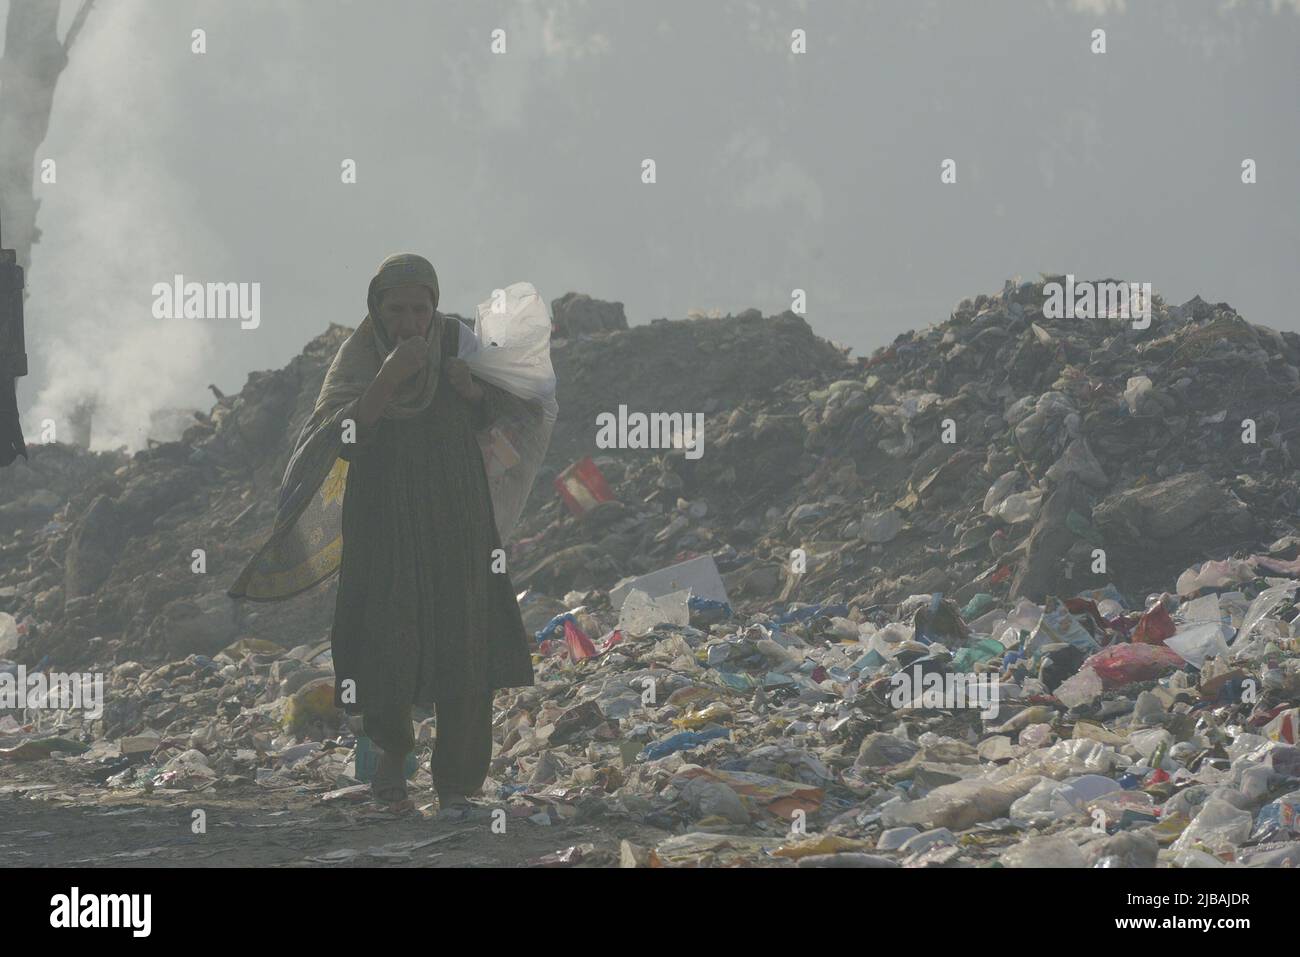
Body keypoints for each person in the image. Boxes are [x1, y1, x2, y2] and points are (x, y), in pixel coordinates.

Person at [230, 253, 535, 815]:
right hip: (384, 518)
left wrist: (469, 391)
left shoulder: (458, 344)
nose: (409, 321)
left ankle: (456, 783)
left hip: (457, 515)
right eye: (396, 309)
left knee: (463, 633)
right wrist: (389, 377)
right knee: (387, 634)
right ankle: (392, 757)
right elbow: (339, 434)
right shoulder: (360, 356)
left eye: (420, 309)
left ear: (435, 306)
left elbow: (504, 415)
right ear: (376, 308)